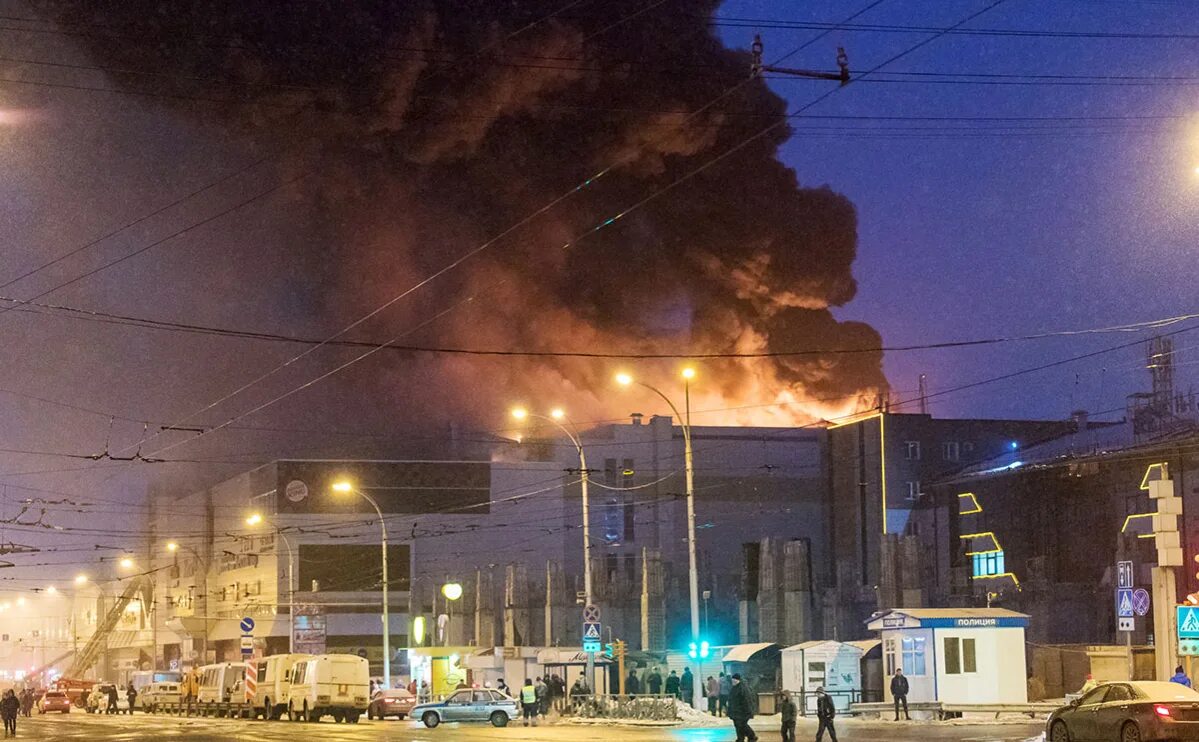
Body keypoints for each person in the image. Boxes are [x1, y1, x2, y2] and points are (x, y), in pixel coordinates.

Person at [727, 673, 757, 742]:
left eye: (734, 681)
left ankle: (752, 736)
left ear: (738, 680)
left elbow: (746, 700)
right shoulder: (734, 688)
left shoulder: (743, 688)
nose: (733, 682)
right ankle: (740, 738)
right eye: (732, 681)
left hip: (742, 712)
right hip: (736, 711)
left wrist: (748, 711)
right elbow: (732, 699)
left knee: (742, 725)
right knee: (738, 725)